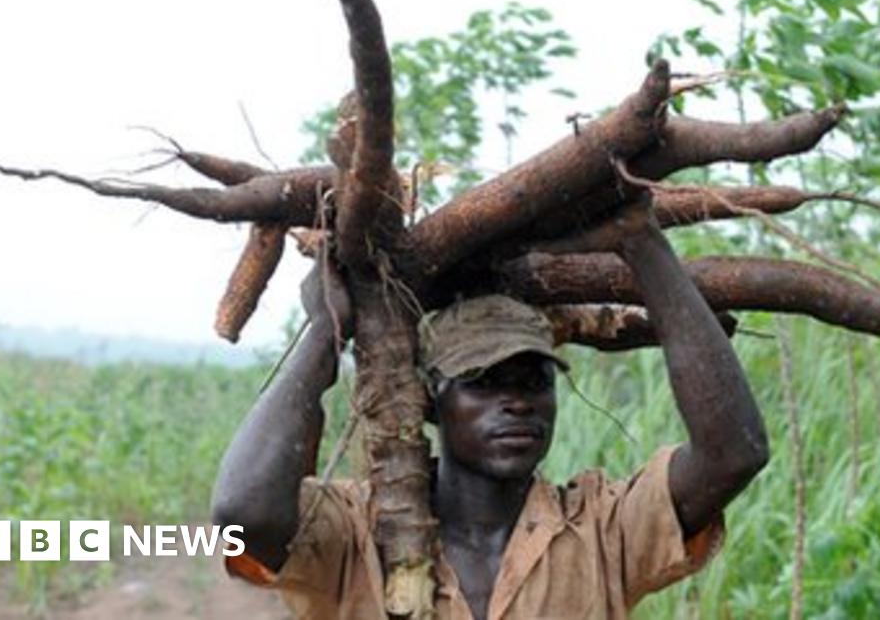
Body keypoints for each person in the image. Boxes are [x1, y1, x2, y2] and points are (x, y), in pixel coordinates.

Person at [211, 200, 770, 619]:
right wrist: (325, 331)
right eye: (482, 381)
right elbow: (242, 515)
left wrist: (641, 240)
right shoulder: (359, 531)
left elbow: (732, 454)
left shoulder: (601, 529)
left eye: (535, 381)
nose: (517, 402)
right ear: (431, 401)